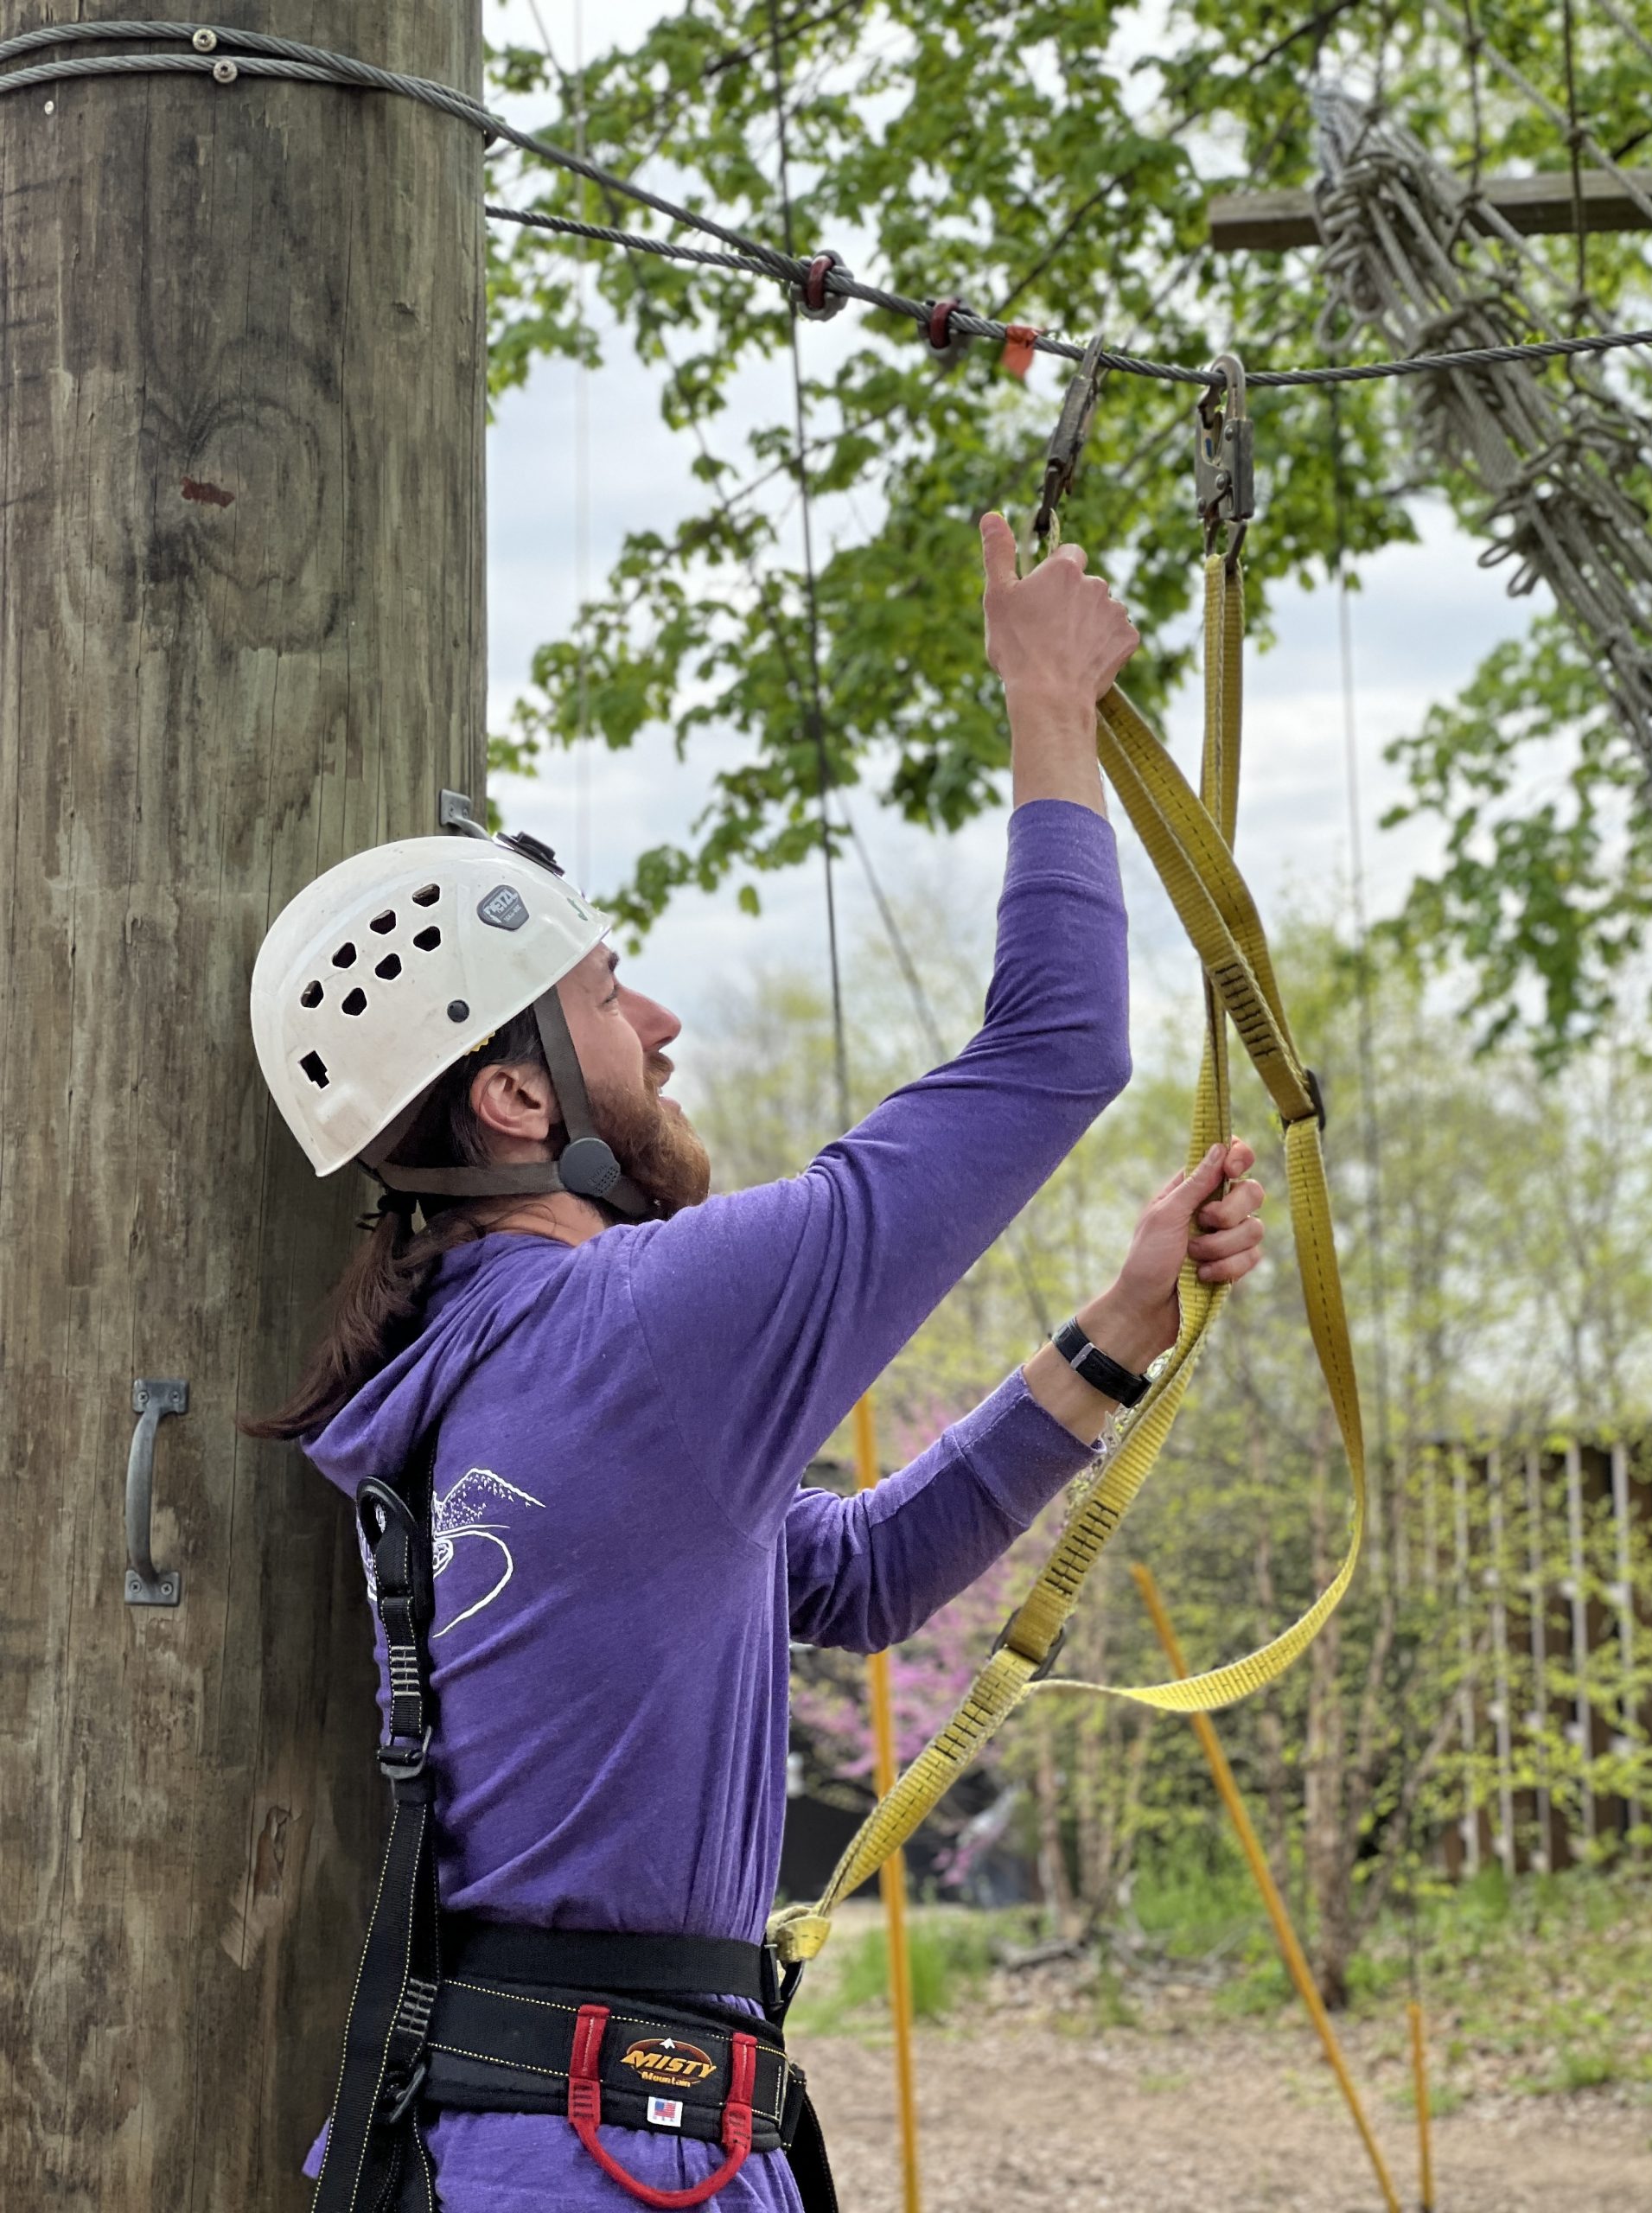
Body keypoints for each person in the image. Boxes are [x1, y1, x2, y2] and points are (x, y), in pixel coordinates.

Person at [248, 513, 1266, 2213]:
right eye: (603, 995)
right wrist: (1049, 703)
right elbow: (1056, 1049)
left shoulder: (485, 1368)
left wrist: (1112, 1336)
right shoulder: (629, 1332)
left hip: (554, 2135)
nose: (657, 1025)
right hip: (604, 2148)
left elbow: (849, 1578)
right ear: (515, 1102)